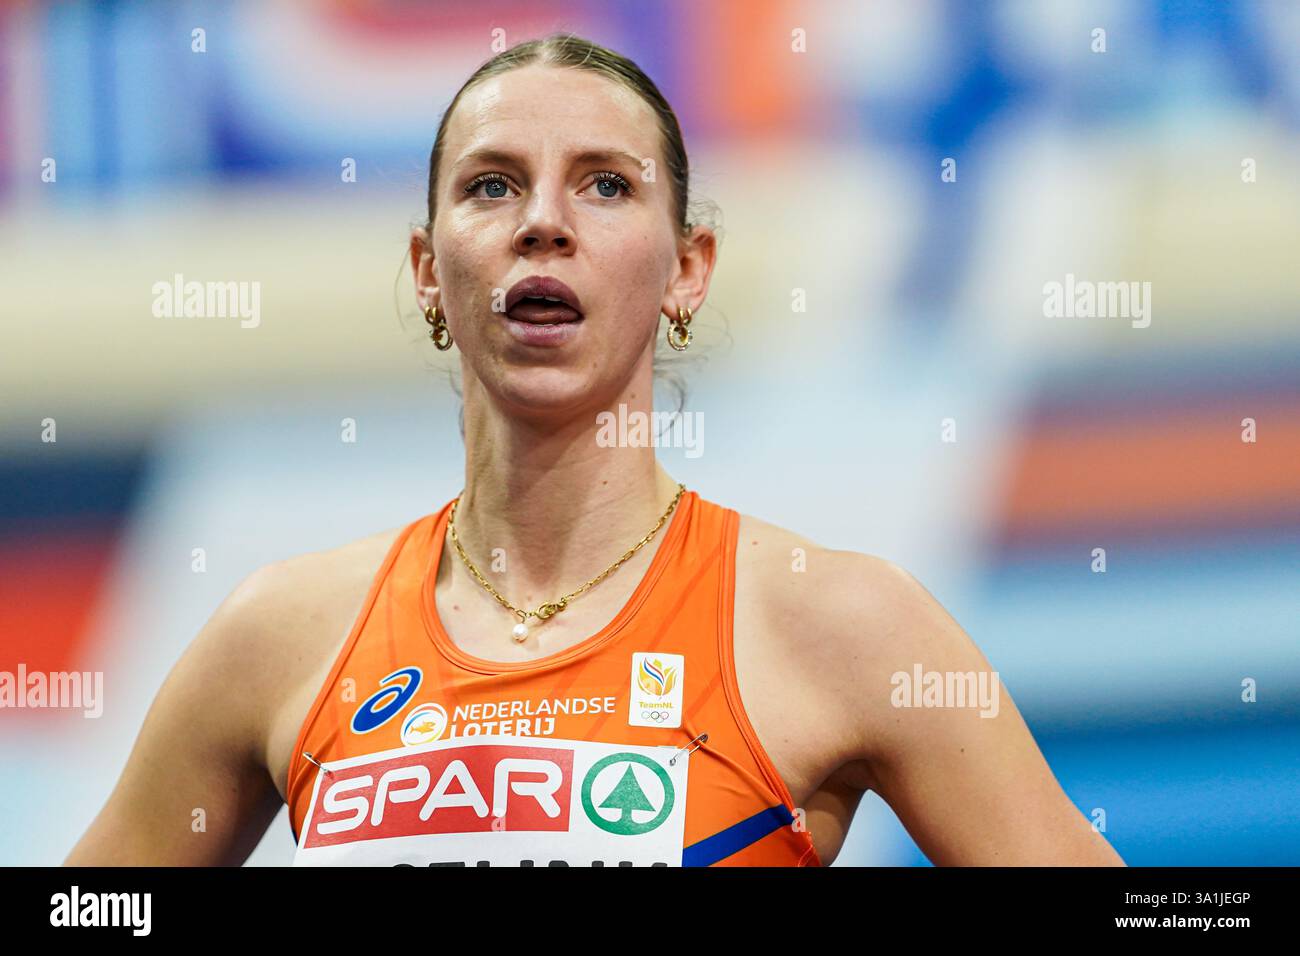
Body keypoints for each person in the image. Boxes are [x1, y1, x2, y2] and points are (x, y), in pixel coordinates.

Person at [65, 32, 1124, 867]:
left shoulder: (838, 621)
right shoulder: (282, 634)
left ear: (687, 270)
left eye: (605, 184)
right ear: (428, 269)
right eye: (491, 185)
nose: (543, 223)